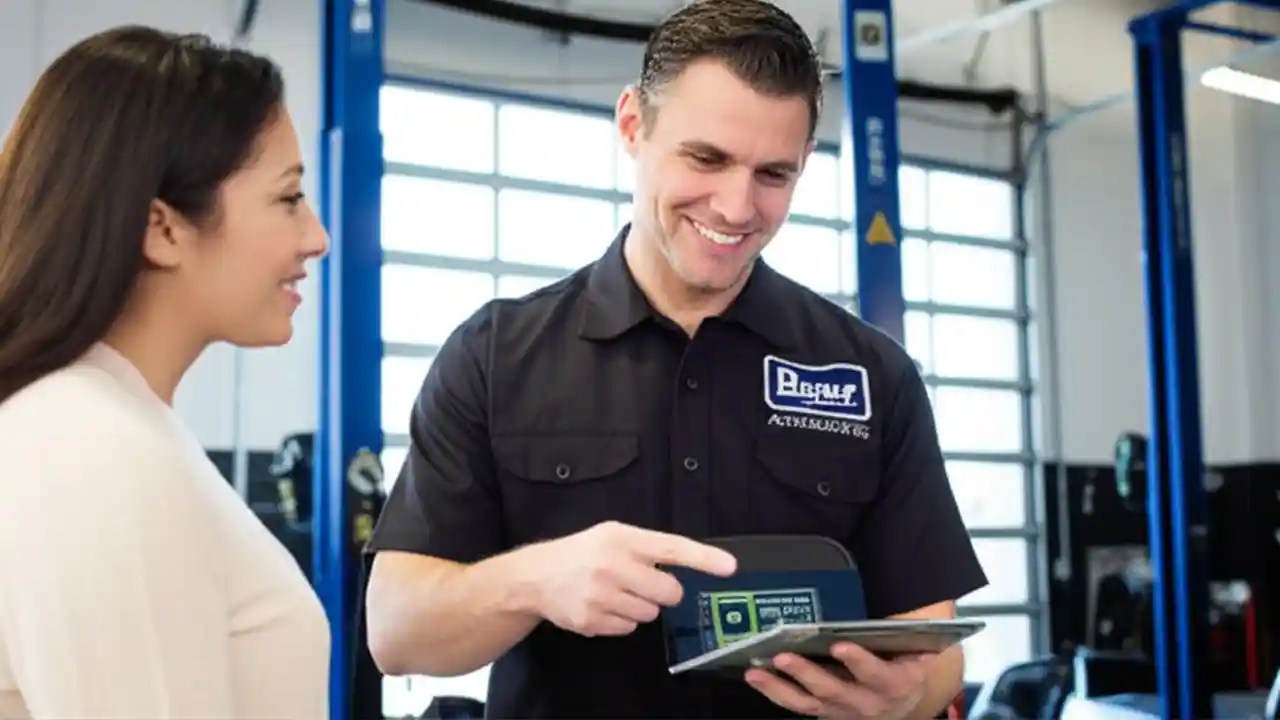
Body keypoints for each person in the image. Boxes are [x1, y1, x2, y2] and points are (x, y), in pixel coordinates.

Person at [364, 0, 988, 717]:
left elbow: (933, 652)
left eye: (773, 175)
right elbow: (395, 631)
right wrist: (534, 580)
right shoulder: (496, 356)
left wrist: (902, 701)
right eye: (707, 158)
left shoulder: (872, 377)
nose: (735, 205)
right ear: (633, 125)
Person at [0, 26, 331, 719]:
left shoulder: (119, 425)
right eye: (288, 198)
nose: (316, 237)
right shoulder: (86, 445)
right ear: (163, 227)